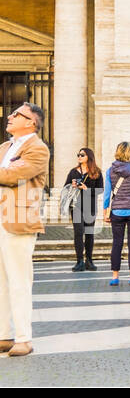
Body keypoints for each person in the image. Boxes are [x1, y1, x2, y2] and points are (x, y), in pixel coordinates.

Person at [0, 102, 49, 357]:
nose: (10, 116)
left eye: (17, 114)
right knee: (1, 282)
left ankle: (23, 337)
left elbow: (12, 175)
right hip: (0, 219)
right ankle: (4, 335)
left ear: (31, 122)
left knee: (19, 280)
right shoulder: (5, 147)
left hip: (18, 219)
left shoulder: (38, 149)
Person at [102, 141, 130, 287]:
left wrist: (105, 212)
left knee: (117, 243)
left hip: (117, 211)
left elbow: (107, 194)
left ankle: (115, 276)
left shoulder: (110, 171)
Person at [64, 147, 103, 271]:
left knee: (89, 234)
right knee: (78, 232)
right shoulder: (73, 172)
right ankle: (79, 261)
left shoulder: (96, 172)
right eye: (78, 155)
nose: (79, 157)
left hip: (90, 207)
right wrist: (72, 186)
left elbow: (101, 189)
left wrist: (87, 189)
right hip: (75, 206)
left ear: (89, 157)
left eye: (82, 155)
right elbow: (65, 188)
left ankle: (89, 261)